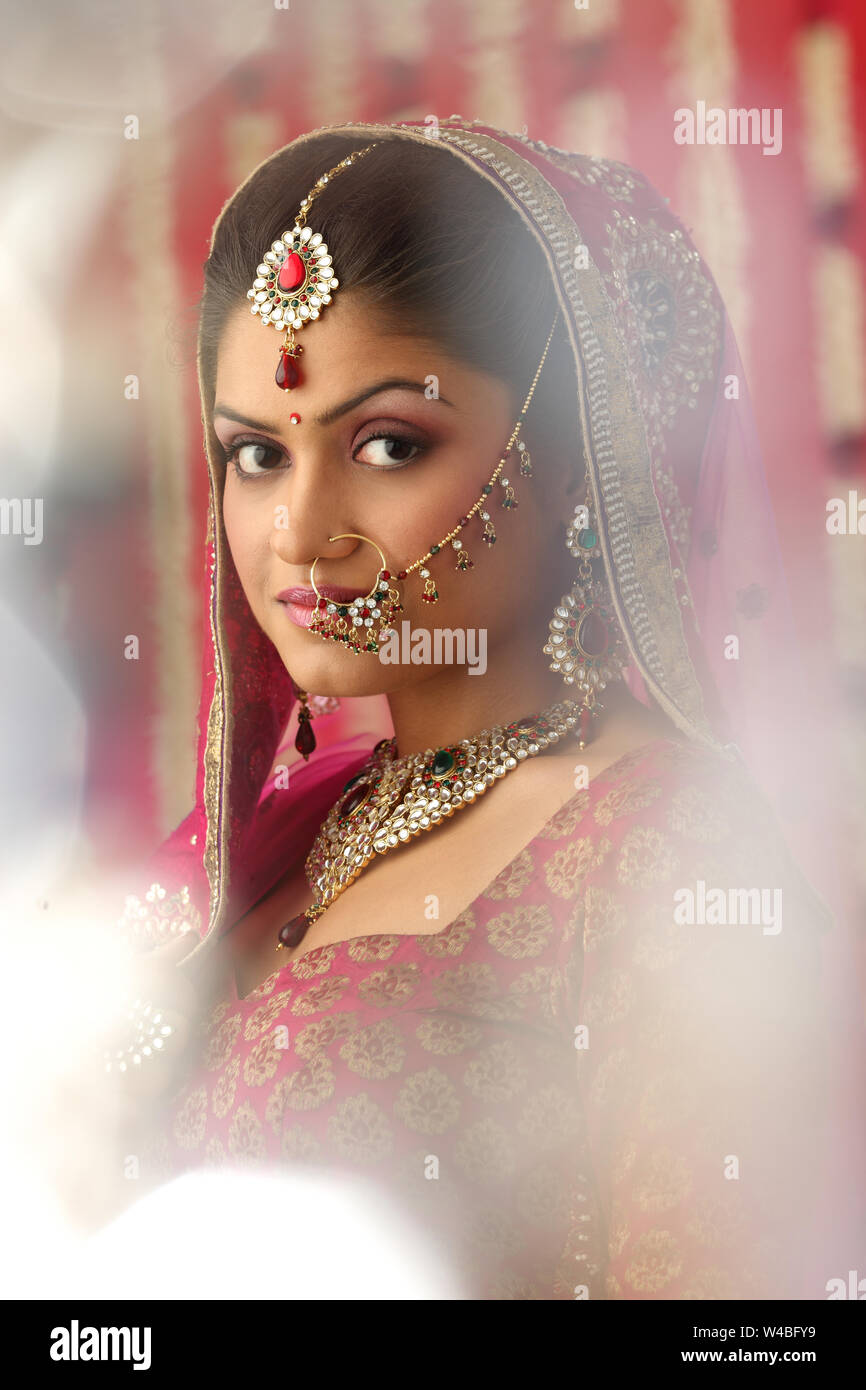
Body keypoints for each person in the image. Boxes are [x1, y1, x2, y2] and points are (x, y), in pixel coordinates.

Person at [100, 117, 838, 1300]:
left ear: (575, 457)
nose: (299, 534)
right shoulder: (292, 832)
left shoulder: (667, 852)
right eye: (255, 456)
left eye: (388, 443)